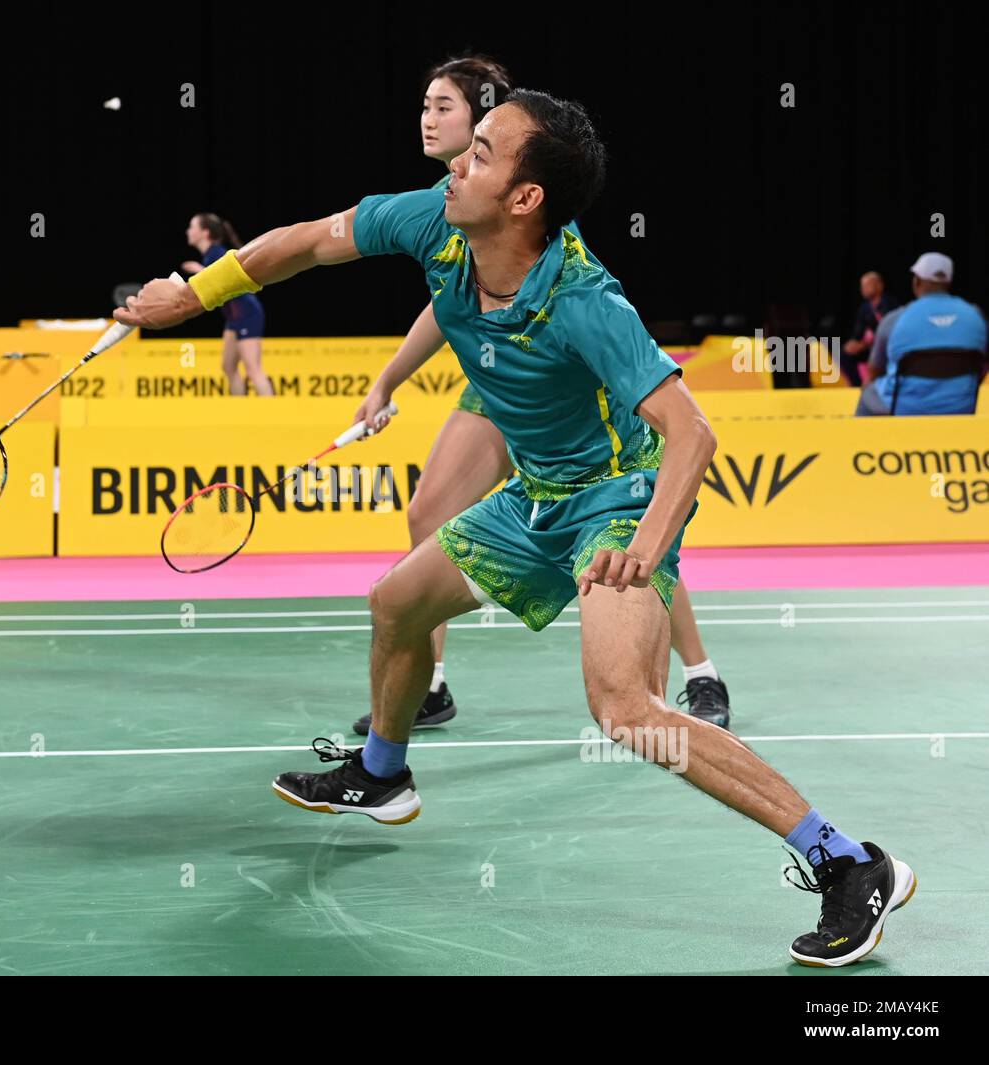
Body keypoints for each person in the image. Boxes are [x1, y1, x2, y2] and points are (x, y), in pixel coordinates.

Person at [115, 90, 916, 968]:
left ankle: (848, 859)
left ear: (526, 198)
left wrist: (645, 547)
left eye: (483, 152)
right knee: (397, 603)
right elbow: (306, 241)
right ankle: (382, 774)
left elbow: (694, 433)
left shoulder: (585, 302)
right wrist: (195, 292)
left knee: (625, 710)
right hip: (534, 494)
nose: (456, 161)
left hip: (614, 498)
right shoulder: (434, 223)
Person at [351, 55, 731, 736]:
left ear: (479, 123)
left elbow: (684, 426)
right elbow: (447, 298)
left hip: (559, 378)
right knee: (428, 515)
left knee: (626, 513)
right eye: (426, 105)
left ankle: (698, 669)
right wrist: (387, 378)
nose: (428, 118)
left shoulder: (523, 201)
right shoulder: (448, 208)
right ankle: (429, 682)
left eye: (444, 107)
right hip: (497, 381)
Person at [856, 252, 987, 415]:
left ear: (916, 282)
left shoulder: (894, 320)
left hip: (905, 409)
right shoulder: (976, 317)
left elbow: (874, 372)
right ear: (948, 282)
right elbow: (982, 367)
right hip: (961, 407)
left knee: (868, 391)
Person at [181, 214, 271, 395]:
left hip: (247, 314)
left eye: (192, 226)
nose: (188, 231)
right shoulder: (209, 256)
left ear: (205, 232)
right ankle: (237, 412)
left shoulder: (217, 253)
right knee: (228, 367)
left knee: (253, 369)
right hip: (233, 318)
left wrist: (199, 271)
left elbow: (228, 278)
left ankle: (273, 414)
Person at [841, 271, 897, 385]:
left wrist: (866, 344)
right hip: (868, 348)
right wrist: (854, 343)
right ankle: (856, 386)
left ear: (879, 285)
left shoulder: (891, 304)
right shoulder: (864, 308)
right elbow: (858, 332)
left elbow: (891, 331)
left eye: (867, 285)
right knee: (845, 353)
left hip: (887, 345)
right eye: (862, 286)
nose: (863, 289)